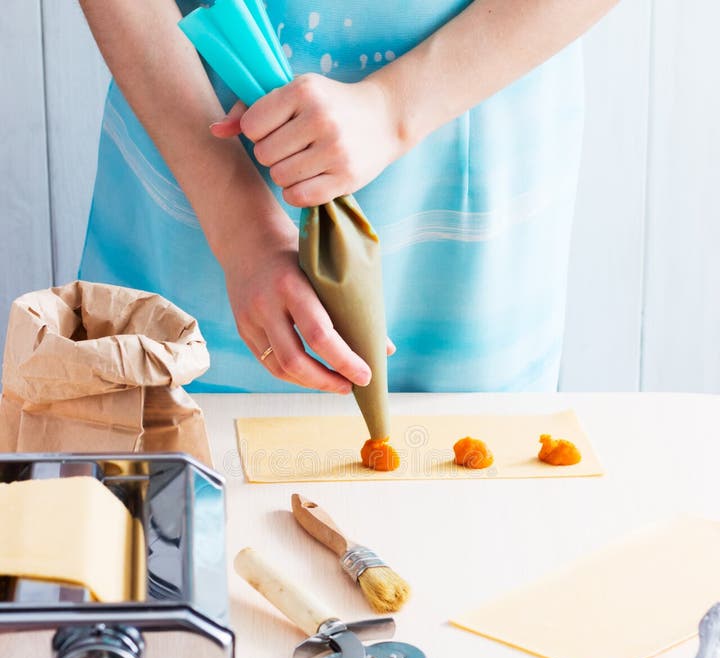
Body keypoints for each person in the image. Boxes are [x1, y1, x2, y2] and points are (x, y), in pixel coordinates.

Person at [79, 0, 619, 395]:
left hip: (466, 156)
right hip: (194, 139)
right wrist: (238, 221)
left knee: (473, 509)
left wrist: (395, 108)